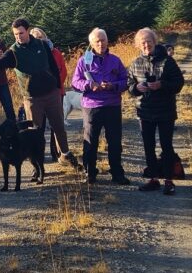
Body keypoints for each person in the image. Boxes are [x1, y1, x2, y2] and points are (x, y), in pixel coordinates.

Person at [0, 18, 80, 171]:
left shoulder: (42, 45)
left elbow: (53, 66)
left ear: (27, 31)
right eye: (15, 34)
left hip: (51, 94)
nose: (18, 36)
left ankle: (65, 155)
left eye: (21, 33)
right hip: (33, 98)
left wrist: (58, 86)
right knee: (34, 132)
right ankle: (36, 166)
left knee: (59, 127)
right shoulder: (13, 52)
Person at [126, 29, 185, 194]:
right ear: (138, 45)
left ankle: (168, 180)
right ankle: (153, 179)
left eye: (148, 41)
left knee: (166, 146)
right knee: (148, 145)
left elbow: (179, 83)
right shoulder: (136, 62)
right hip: (144, 111)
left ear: (154, 42)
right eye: (142, 42)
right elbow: (129, 85)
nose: (146, 45)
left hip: (165, 110)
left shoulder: (168, 61)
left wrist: (162, 85)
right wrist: (135, 87)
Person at [70, 28, 130, 184]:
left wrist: (113, 86)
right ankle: (90, 172)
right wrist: (90, 85)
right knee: (90, 141)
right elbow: (75, 82)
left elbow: (126, 81)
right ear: (91, 43)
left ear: (107, 40)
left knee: (115, 141)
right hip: (92, 106)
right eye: (97, 41)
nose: (100, 43)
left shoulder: (115, 60)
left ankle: (117, 173)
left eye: (103, 40)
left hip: (112, 105)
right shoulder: (83, 61)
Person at [30, 27, 68, 161]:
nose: (39, 40)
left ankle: (57, 152)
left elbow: (62, 71)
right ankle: (39, 155)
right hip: (38, 96)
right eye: (36, 38)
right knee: (39, 126)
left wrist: (56, 85)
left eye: (41, 37)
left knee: (56, 125)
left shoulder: (55, 52)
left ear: (45, 37)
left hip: (56, 92)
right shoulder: (31, 54)